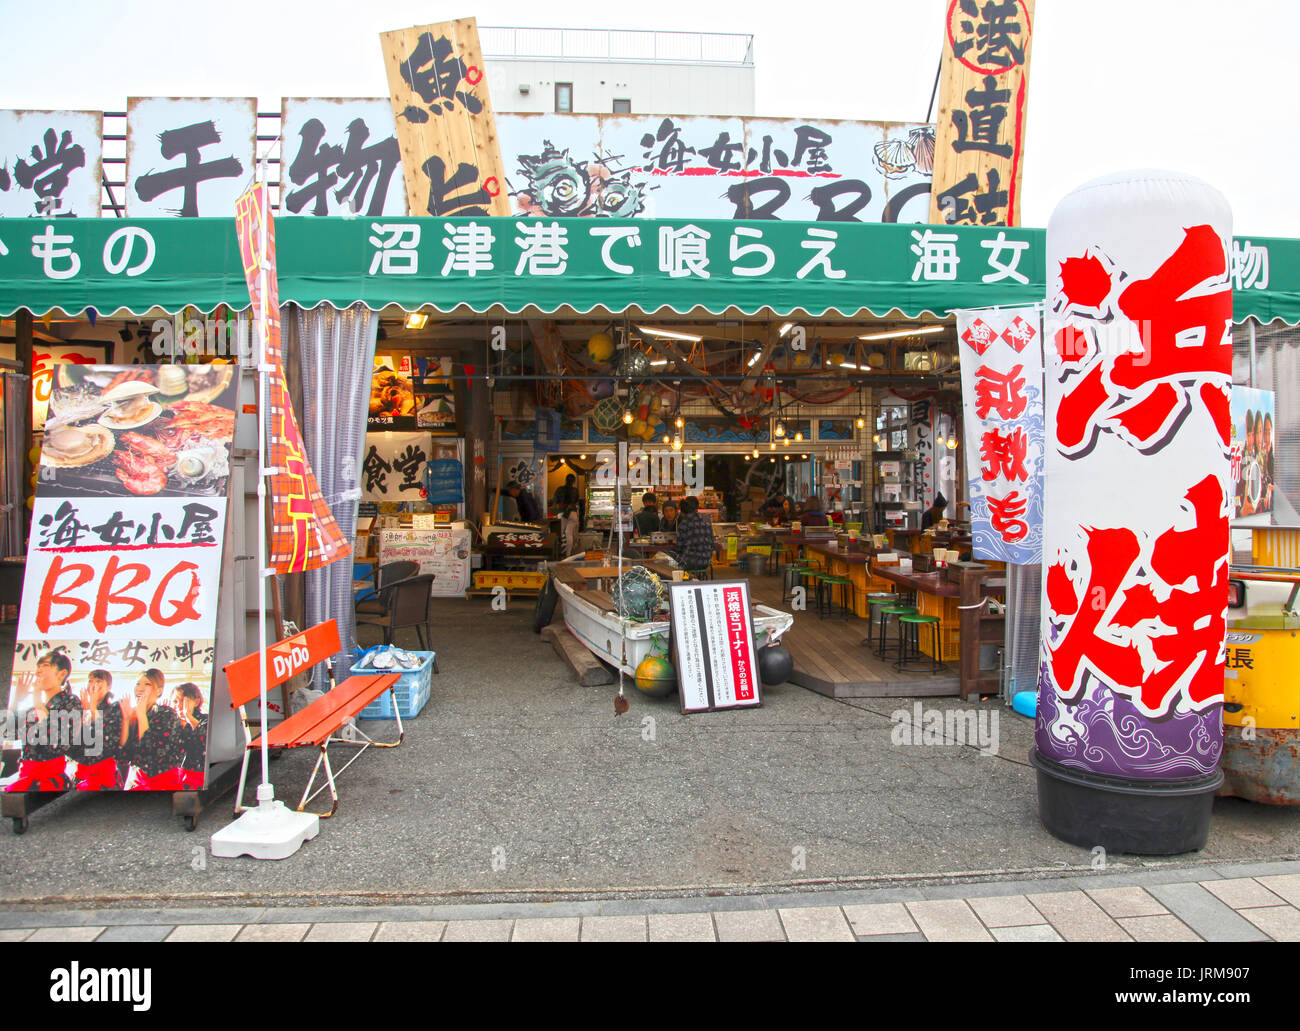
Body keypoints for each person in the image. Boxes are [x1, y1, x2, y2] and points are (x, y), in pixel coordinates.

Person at [6, 650, 81, 792]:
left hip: (51, 781)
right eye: (38, 666)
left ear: (61, 674)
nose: (38, 671)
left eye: (45, 665)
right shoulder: (31, 709)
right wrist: (16, 700)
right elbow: (8, 734)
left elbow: (57, 743)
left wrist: (37, 699)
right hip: (26, 779)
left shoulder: (71, 702)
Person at [121, 668, 186, 791]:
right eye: (138, 684)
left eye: (147, 684)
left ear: (159, 691)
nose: (140, 688)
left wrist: (141, 713)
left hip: (162, 784)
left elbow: (152, 751)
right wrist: (126, 721)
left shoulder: (167, 714)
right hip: (134, 782)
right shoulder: (132, 715)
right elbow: (123, 756)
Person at [74, 669, 126, 791]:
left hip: (105, 779)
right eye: (91, 681)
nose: (93, 685)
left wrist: (92, 708)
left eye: (98, 681)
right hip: (83, 775)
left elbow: (106, 741)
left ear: (109, 687)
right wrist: (82, 715)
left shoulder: (115, 708)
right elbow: (75, 743)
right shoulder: (82, 709)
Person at [168, 682, 208, 790]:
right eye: (175, 701)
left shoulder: (205, 720)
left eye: (183, 701)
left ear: (196, 702)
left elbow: (206, 739)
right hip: (175, 780)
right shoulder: (170, 723)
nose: (179, 705)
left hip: (198, 780)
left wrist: (189, 717)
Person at [670, 496, 714, 572]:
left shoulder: (684, 524)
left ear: (683, 511)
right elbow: (712, 541)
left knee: (666, 556)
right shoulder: (706, 520)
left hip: (689, 563)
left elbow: (678, 548)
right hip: (706, 561)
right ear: (697, 508)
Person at [552, 474, 580, 555]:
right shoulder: (575, 490)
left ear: (565, 480)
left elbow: (554, 501)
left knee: (560, 533)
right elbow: (577, 501)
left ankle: (559, 552)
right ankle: (568, 553)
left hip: (562, 512)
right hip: (573, 513)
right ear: (574, 481)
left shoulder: (560, 489)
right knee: (569, 533)